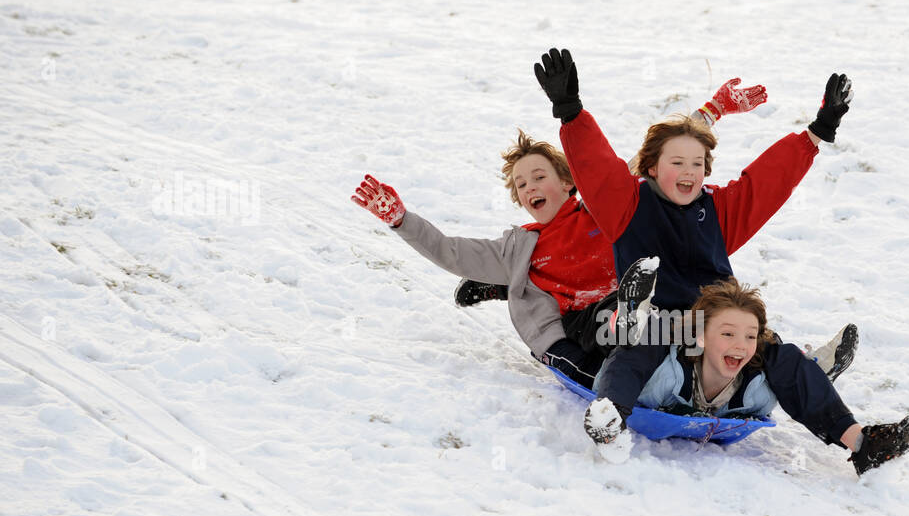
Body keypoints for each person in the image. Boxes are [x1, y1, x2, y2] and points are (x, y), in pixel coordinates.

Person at [533, 47, 909, 473]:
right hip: (655, 318)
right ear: (652, 166)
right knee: (637, 340)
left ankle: (859, 441)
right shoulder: (627, 204)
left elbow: (766, 183)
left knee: (778, 355)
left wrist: (817, 131)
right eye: (677, 162)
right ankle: (610, 417)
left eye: (697, 163)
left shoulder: (716, 210)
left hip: (715, 322)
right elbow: (599, 169)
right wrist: (570, 111)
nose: (689, 171)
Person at [351, 78, 856, 388]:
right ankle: (511, 287)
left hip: (636, 301)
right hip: (584, 324)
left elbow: (660, 164)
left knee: (712, 319)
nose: (531, 186)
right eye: (521, 183)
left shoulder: (604, 210)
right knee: (613, 343)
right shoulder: (519, 244)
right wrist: (400, 219)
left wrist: (715, 109)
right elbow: (450, 251)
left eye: (540, 175)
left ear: (569, 182)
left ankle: (797, 367)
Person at [590, 278, 909, 474]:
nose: (741, 344)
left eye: (750, 336)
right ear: (702, 335)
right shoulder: (663, 371)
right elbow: (625, 365)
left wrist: (782, 358)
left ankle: (863, 444)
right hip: (636, 360)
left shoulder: (758, 389)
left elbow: (772, 358)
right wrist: (611, 413)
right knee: (643, 336)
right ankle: (630, 320)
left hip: (740, 395)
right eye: (728, 334)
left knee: (784, 361)